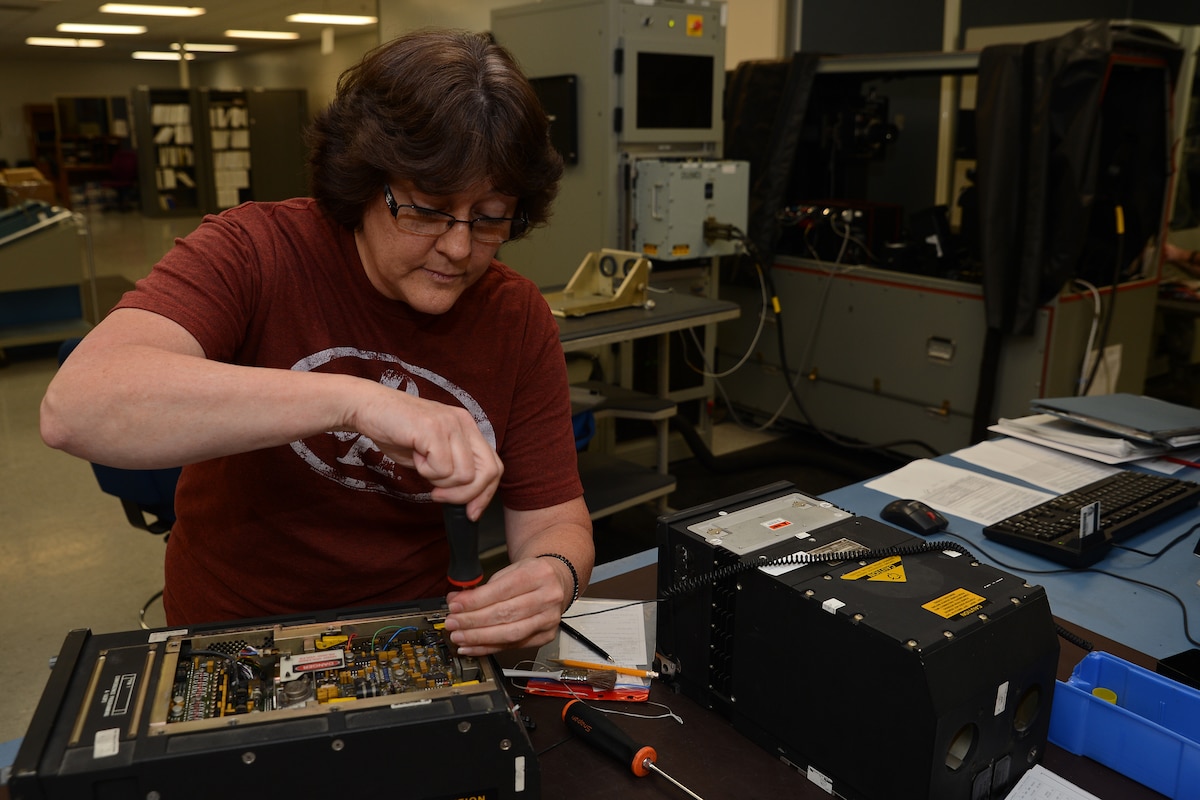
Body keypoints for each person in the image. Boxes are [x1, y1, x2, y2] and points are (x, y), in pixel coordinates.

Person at [39, 29, 594, 658]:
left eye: (491, 217)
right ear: (363, 180)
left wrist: (553, 575)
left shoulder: (516, 316)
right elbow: (76, 407)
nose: (460, 247)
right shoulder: (255, 250)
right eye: (426, 209)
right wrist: (356, 403)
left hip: (405, 641)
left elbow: (556, 519)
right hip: (232, 636)